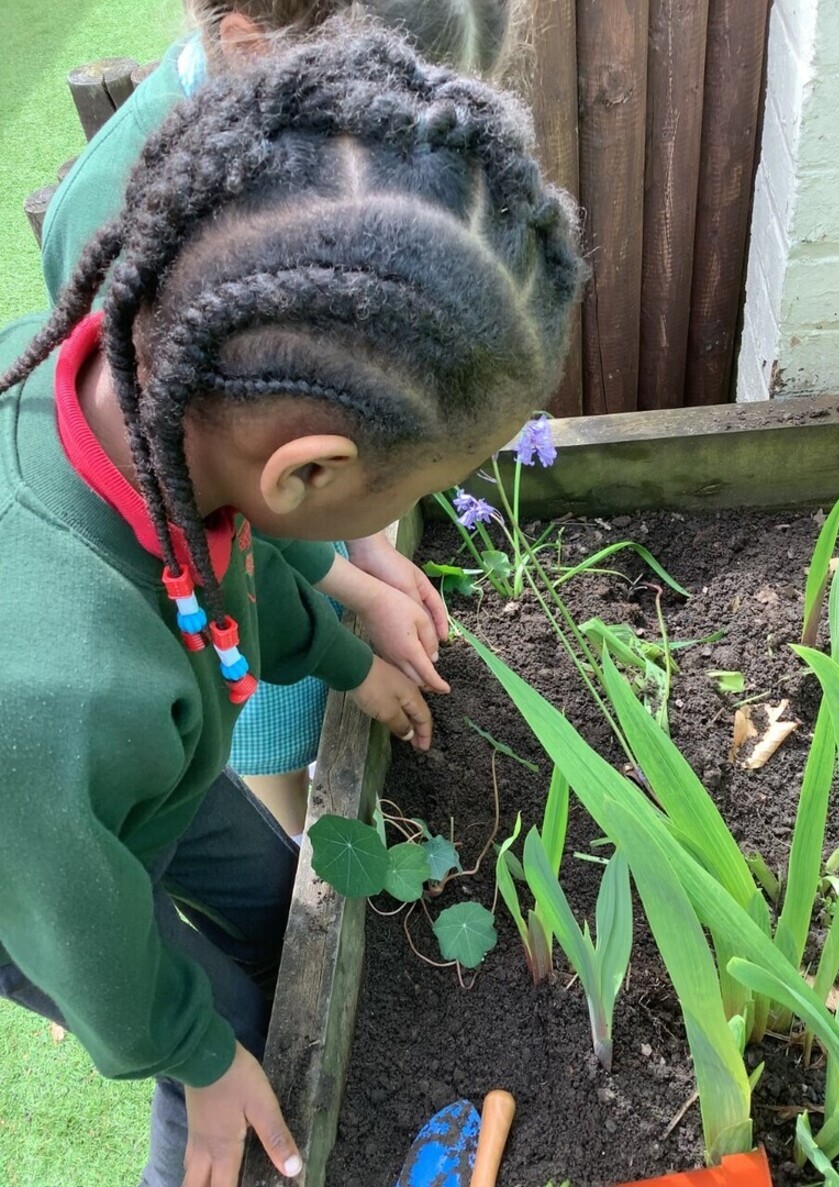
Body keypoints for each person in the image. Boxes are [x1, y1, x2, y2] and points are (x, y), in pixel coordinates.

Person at [0, 20, 583, 1187]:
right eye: (420, 489)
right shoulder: (56, 689)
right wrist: (194, 1048)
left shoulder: (143, 415)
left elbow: (227, 555)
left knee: (277, 898)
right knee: (201, 1037)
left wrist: (339, 647)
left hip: (104, 768)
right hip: (25, 853)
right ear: (307, 473)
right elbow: (73, 924)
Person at [40, 0, 521, 839]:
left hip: (276, 500)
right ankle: (295, 830)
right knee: (264, 719)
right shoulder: (128, 221)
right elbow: (192, 496)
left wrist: (370, 546)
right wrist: (355, 590)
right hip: (194, 571)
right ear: (253, 47)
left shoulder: (297, 140)